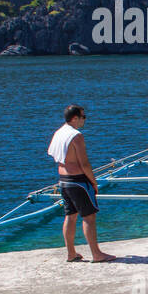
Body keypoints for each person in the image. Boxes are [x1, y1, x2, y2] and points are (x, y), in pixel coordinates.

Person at [47, 105, 116, 263]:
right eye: (83, 117)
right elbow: (84, 163)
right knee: (89, 217)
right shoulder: (76, 136)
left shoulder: (58, 133)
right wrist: (93, 182)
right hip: (78, 181)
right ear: (75, 118)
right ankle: (97, 254)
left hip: (63, 180)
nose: (85, 120)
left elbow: (54, 155)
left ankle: (71, 253)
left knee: (70, 216)